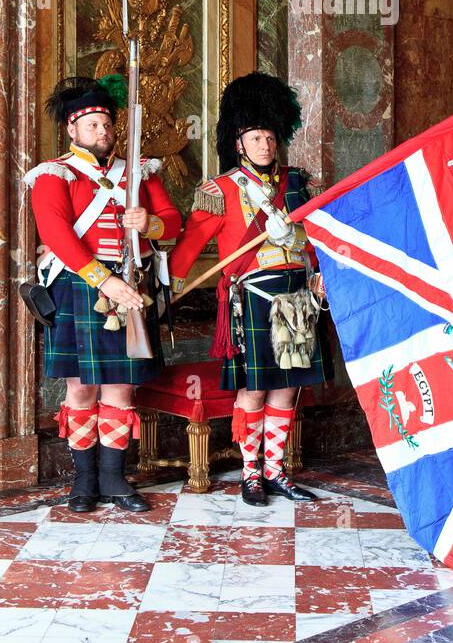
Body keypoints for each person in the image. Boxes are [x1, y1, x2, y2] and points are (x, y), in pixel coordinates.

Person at [23, 76, 181, 513]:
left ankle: (114, 479)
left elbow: (172, 221)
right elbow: (55, 234)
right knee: (81, 390)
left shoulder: (138, 171)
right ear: (72, 131)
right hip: (81, 286)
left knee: (120, 390)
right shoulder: (54, 174)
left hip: (131, 281)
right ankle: (84, 482)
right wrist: (104, 280)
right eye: (92, 124)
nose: (102, 131)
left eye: (107, 124)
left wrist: (147, 223)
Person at [169, 72, 328, 505]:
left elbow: (317, 238)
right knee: (255, 388)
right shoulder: (219, 190)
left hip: (298, 298)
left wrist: (322, 271)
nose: (265, 145)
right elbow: (188, 246)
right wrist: (170, 284)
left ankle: (276, 471)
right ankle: (251, 474)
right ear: (239, 143)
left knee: (287, 386)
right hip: (252, 298)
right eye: (256, 137)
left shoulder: (298, 184)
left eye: (270, 137)